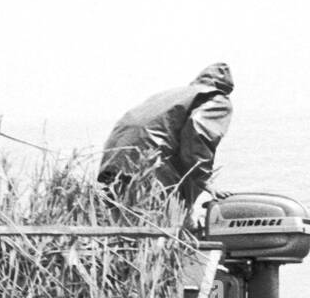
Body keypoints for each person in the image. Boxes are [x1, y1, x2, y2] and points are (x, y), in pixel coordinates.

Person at [98, 62, 234, 218]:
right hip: (151, 159)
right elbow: (198, 135)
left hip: (114, 158)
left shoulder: (172, 94)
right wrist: (204, 180)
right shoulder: (215, 98)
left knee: (124, 215)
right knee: (167, 217)